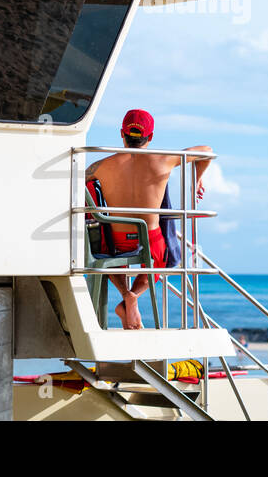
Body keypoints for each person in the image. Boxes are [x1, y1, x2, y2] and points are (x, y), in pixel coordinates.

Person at [85, 109, 212, 330]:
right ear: (150, 137)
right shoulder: (163, 160)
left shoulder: (101, 166)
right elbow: (207, 151)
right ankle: (133, 295)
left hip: (115, 242)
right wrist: (196, 178)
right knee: (162, 260)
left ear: (121, 134)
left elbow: (79, 180)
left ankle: (126, 294)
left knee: (108, 257)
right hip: (150, 242)